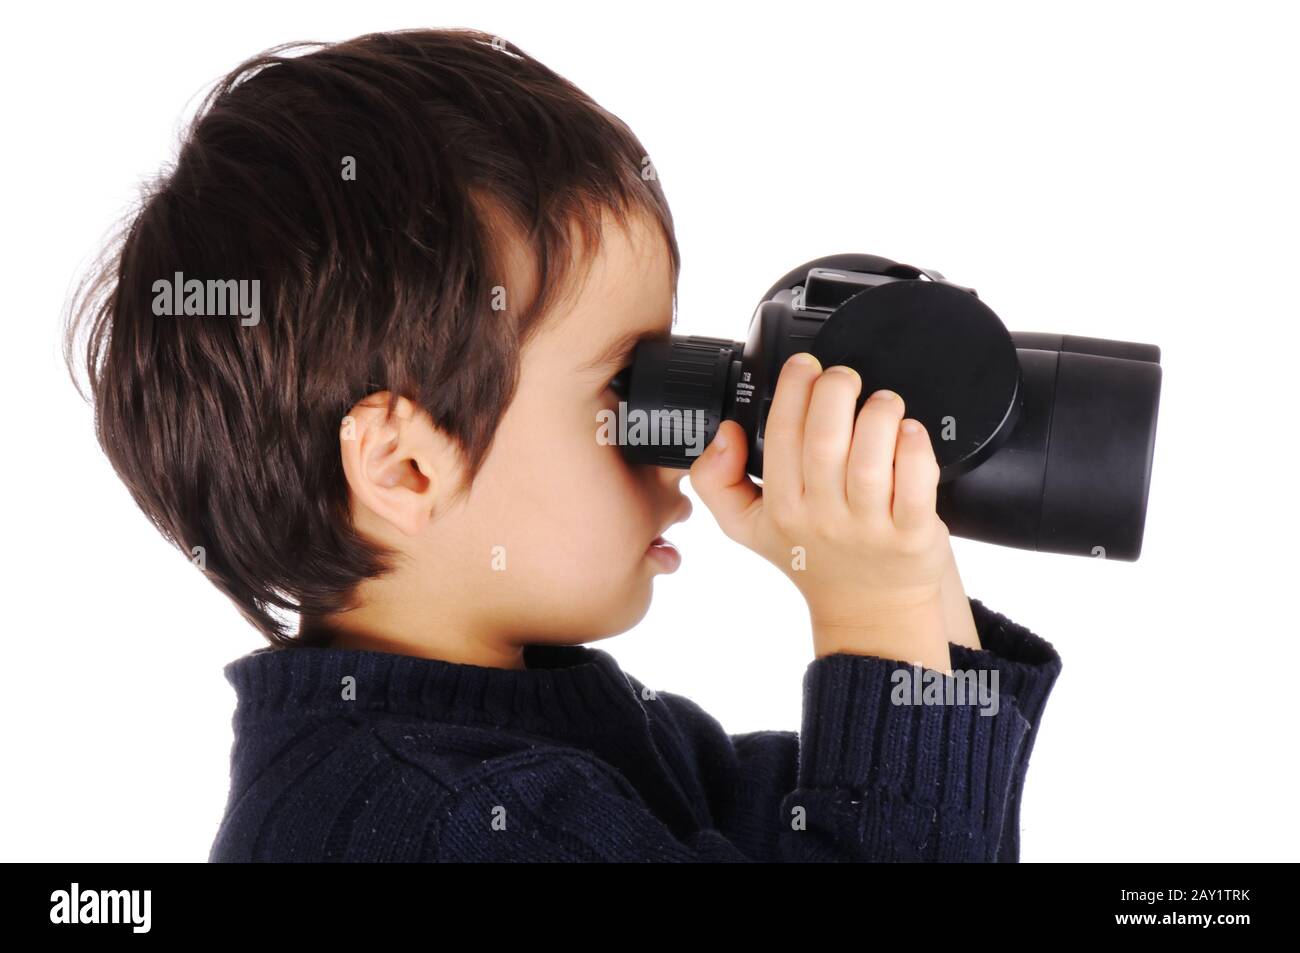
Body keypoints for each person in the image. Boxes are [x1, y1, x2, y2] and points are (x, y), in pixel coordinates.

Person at [64, 27, 1061, 862]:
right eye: (626, 385)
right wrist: (876, 609)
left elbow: (864, 814)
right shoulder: (434, 823)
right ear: (407, 466)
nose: (676, 447)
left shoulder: (572, 734)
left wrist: (905, 564)